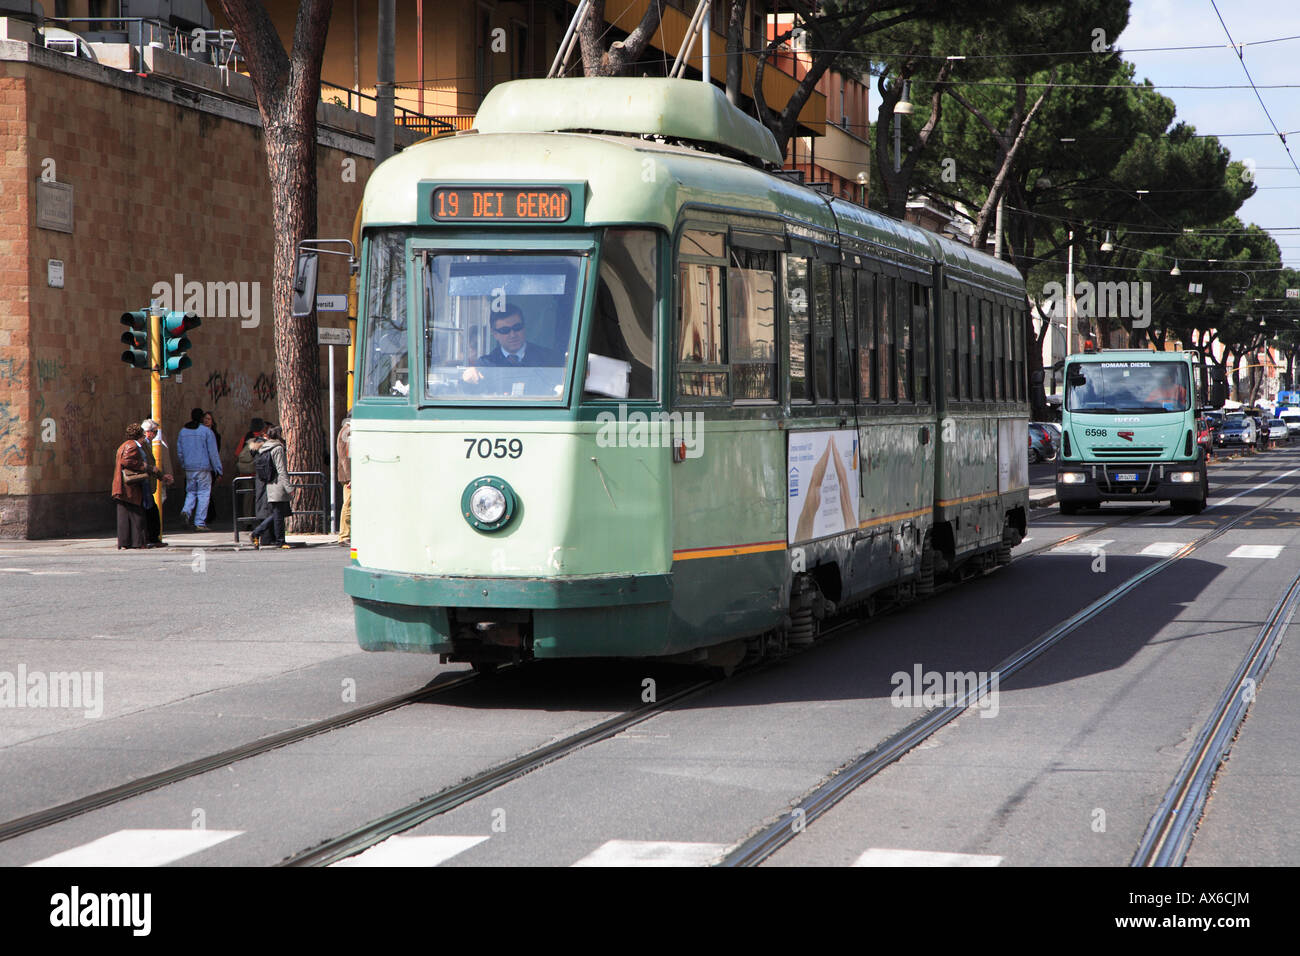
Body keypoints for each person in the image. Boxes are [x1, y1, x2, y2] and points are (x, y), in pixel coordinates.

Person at [461, 306, 563, 385]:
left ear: (524, 327)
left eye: (517, 327)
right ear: (495, 334)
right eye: (505, 330)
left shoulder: (548, 359)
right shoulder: (486, 365)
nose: (513, 335)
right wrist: (468, 378)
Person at [112, 423, 164, 550]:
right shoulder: (133, 445)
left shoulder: (125, 445)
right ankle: (138, 542)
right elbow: (127, 461)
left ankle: (125, 542)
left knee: (125, 516)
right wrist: (145, 466)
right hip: (131, 486)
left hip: (123, 486)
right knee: (137, 514)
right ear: (140, 434)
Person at [175, 407, 222, 530]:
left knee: (191, 492)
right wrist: (218, 469)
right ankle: (200, 522)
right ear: (201, 418)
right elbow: (213, 452)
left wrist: (184, 464)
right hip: (203, 468)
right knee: (203, 494)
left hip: (189, 468)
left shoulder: (182, 432)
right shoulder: (206, 432)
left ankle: (186, 511)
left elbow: (180, 452)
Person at [249, 426, 292, 549]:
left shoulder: (264, 448)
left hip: (269, 484)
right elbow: (281, 470)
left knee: (277, 514)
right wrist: (289, 487)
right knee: (278, 514)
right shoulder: (277, 448)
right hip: (278, 485)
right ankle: (276, 539)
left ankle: (271, 537)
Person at [140, 419, 175, 545]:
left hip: (148, 482)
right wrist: (154, 471)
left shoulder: (148, 444)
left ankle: (151, 538)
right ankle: (151, 538)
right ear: (148, 432)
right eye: (154, 432)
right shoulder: (142, 444)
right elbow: (145, 464)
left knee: (151, 511)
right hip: (144, 483)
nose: (155, 435)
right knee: (150, 511)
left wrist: (162, 476)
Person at [336, 413, 351, 546]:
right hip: (348, 476)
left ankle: (346, 534)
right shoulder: (347, 431)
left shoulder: (348, 430)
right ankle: (344, 535)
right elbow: (345, 457)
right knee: (348, 505)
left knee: (350, 504)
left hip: (348, 475)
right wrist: (350, 477)